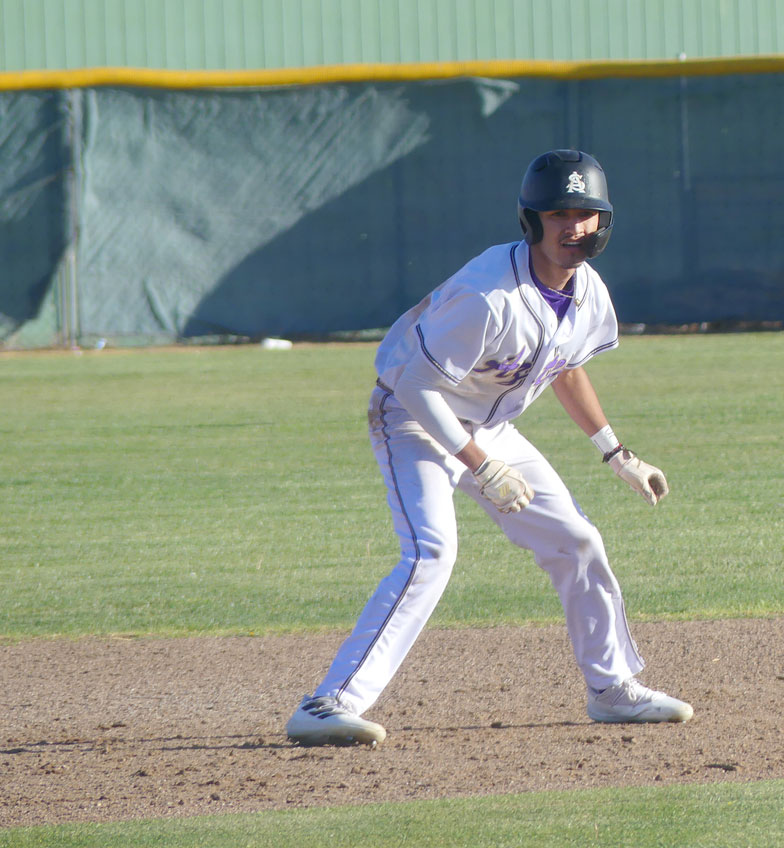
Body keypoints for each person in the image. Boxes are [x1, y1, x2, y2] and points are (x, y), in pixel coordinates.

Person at [285, 149, 693, 747]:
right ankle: (328, 703)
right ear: (531, 220)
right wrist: (481, 464)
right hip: (412, 417)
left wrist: (616, 452)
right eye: (558, 213)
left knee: (577, 539)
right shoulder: (489, 294)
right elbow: (416, 385)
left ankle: (611, 689)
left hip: (488, 426)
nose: (572, 227)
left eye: (585, 213)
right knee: (431, 552)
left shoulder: (588, 292)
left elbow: (565, 366)